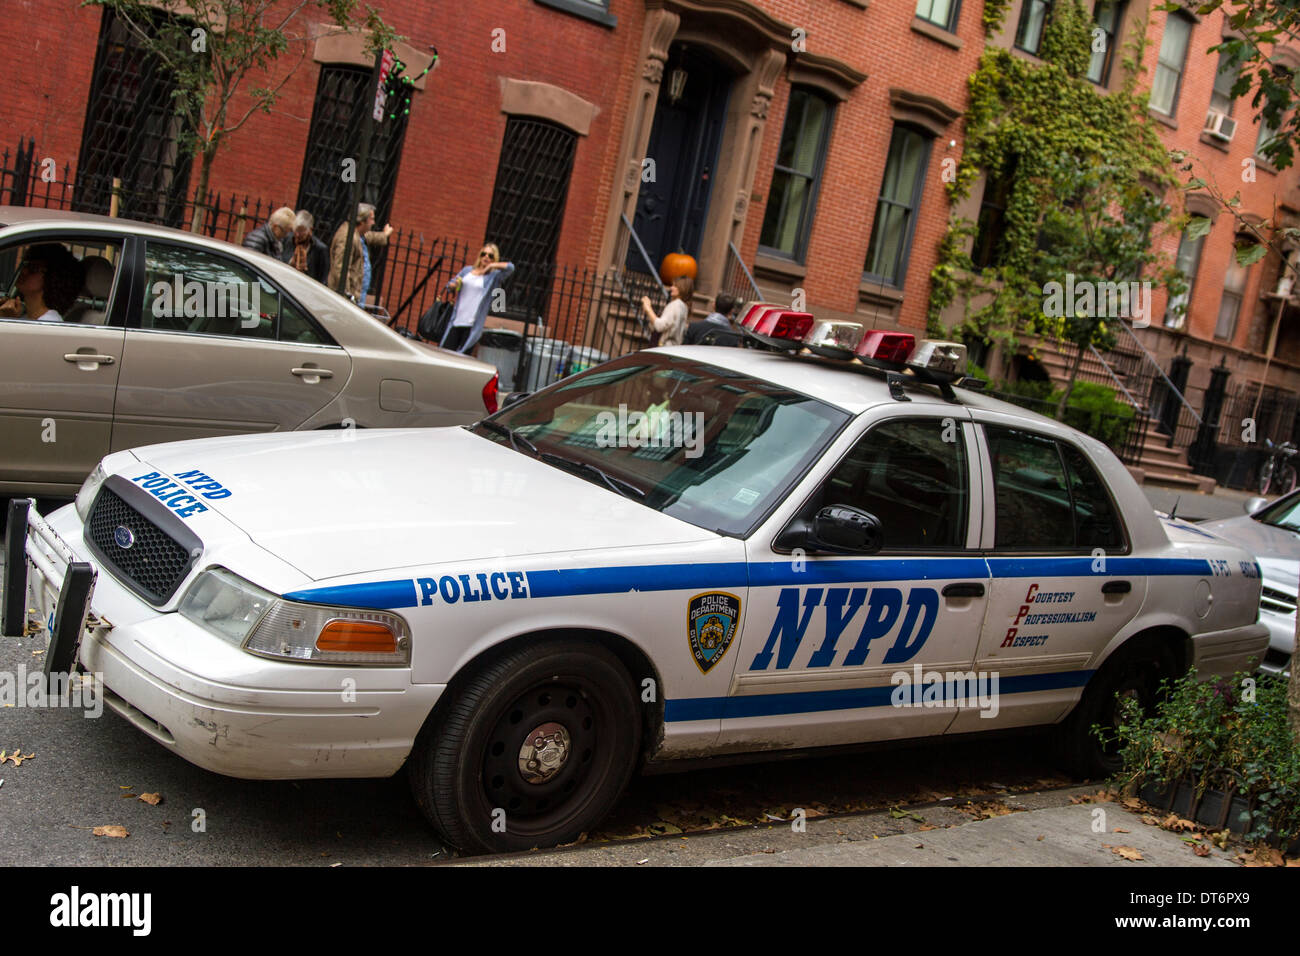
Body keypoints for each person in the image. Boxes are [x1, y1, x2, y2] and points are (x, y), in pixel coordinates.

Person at [439, 242, 515, 353]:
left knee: (462, 360)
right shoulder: (467, 271)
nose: (486, 257)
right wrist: (453, 286)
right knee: (444, 355)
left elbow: (511, 268)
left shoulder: (494, 276)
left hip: (472, 326)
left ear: (495, 259)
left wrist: (492, 266)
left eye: (490, 256)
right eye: (484, 254)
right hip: (456, 321)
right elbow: (450, 284)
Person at [0, 242, 84, 322]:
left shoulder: (50, 323)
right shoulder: (28, 316)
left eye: (33, 268)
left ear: (53, 278)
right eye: (25, 265)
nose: (24, 271)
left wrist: (9, 320)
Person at [329, 203, 393, 306]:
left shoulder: (357, 234)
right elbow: (340, 270)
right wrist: (348, 297)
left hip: (358, 295)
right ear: (362, 221)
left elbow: (370, 236)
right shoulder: (347, 238)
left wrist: (385, 235)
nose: (373, 222)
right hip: (348, 299)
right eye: (371, 219)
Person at [641, 276, 693, 348]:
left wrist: (648, 308)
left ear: (683, 289)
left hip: (662, 348)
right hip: (672, 349)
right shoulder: (684, 307)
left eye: (675, 286)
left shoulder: (675, 305)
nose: (671, 288)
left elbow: (660, 326)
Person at [280, 210, 329, 283]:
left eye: (301, 231)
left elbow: (322, 278)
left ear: (310, 230)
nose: (297, 235)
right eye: (296, 230)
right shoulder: (287, 240)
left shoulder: (320, 249)